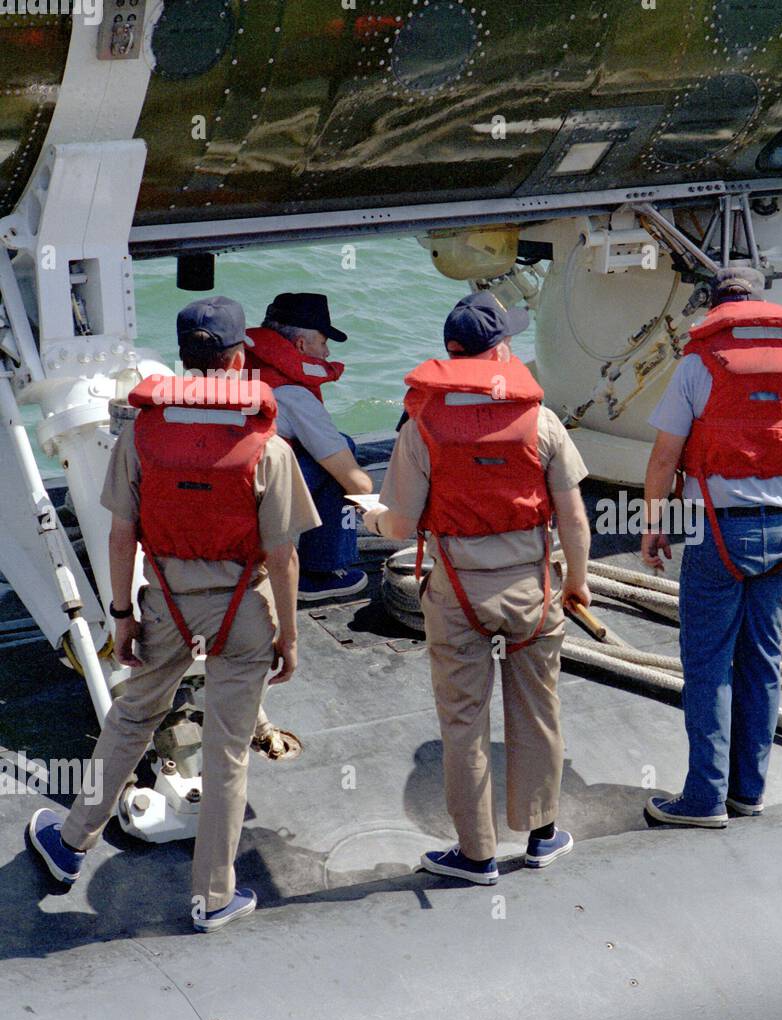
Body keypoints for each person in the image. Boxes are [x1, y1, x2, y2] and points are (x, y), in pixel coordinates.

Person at [26, 297, 320, 932]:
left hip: (164, 604)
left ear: (186, 358)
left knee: (132, 719)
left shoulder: (140, 433)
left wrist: (122, 613)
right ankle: (214, 897)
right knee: (228, 750)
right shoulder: (267, 448)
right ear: (240, 359)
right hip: (245, 609)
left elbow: (120, 534)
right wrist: (289, 638)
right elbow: (284, 556)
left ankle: (70, 845)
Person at [363, 292, 591, 884]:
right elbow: (573, 518)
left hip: (457, 590)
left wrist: (371, 518)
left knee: (463, 720)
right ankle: (542, 835)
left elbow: (402, 524)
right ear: (499, 352)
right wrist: (580, 584)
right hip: (532, 586)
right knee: (538, 709)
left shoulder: (424, 426)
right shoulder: (540, 421)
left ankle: (476, 854)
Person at [640, 267, 782, 828]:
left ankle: (704, 798)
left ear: (715, 307)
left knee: (708, 665)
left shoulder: (697, 363)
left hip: (716, 532)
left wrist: (654, 523)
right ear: (759, 304)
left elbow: (663, 457)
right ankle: (748, 792)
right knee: (763, 662)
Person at [246, 292, 371, 601]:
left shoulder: (237, 364)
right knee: (341, 454)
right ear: (301, 345)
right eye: (324, 341)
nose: (327, 352)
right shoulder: (294, 393)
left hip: (227, 486)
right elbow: (354, 481)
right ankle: (319, 573)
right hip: (257, 503)